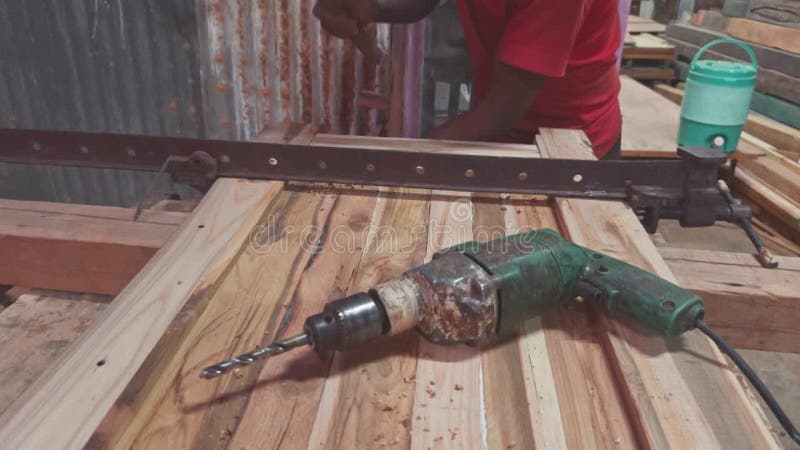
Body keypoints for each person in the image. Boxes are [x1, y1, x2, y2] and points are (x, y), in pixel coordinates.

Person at [314, 0, 623, 159]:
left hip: (570, 145)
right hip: (502, 132)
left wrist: (403, 162)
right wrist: (374, 8)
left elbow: (500, 112)